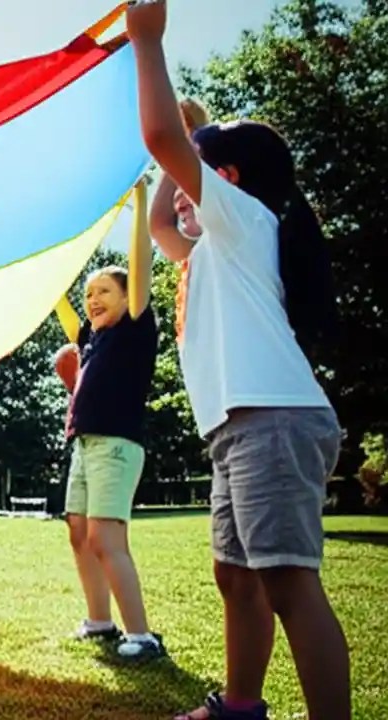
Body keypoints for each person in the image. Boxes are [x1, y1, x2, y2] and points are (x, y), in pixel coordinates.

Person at [129, 2, 347, 717]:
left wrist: (148, 42)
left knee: (288, 582)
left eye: (196, 166)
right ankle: (242, 706)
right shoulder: (210, 248)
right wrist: (187, 144)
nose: (183, 186)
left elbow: (161, 138)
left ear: (223, 177)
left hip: (273, 422)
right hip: (239, 430)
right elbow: (163, 222)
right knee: (235, 575)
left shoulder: (246, 220)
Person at [53, 179, 164, 661]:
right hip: (85, 444)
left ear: (127, 297)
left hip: (116, 445)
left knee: (103, 536)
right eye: (89, 293)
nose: (93, 299)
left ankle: (141, 635)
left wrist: (138, 204)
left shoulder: (136, 327)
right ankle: (100, 621)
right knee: (77, 529)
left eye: (104, 291)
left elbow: (141, 265)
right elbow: (58, 302)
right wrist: (54, 267)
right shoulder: (92, 339)